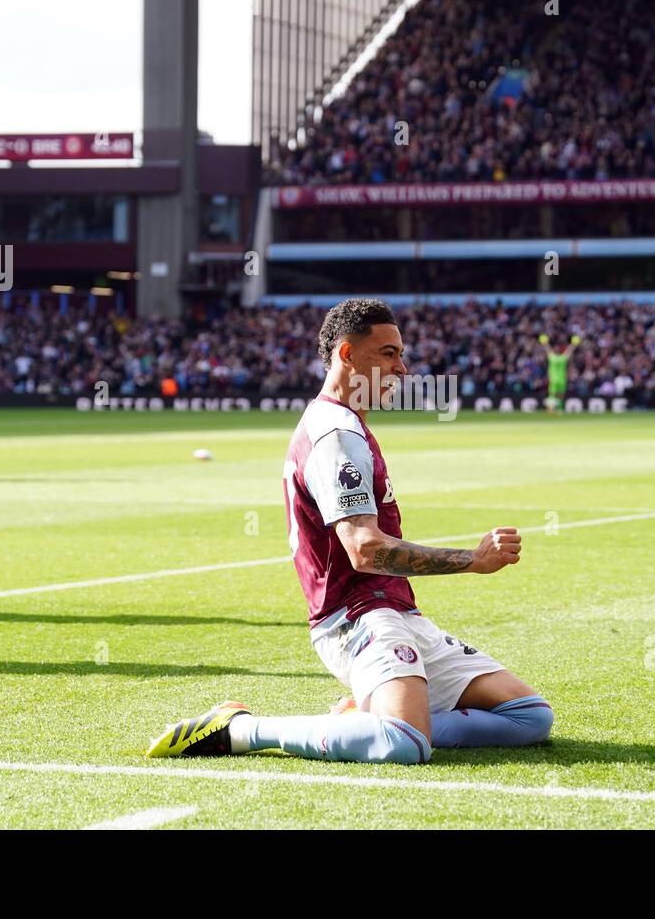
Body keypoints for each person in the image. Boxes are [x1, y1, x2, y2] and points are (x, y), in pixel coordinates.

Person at [146, 299, 552, 763]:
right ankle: (240, 729)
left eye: (400, 354)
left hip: (397, 610)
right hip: (355, 615)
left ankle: (366, 718)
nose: (402, 367)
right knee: (405, 744)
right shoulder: (335, 434)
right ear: (346, 355)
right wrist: (472, 560)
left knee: (529, 716)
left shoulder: (349, 425)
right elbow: (363, 550)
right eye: (388, 353)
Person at [539, 332, 581, 412]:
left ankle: (551, 409)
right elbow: (569, 351)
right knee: (559, 396)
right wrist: (573, 344)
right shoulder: (562, 358)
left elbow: (548, 349)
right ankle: (559, 409)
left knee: (552, 395)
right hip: (561, 379)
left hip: (554, 379)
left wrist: (545, 343)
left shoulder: (553, 358)